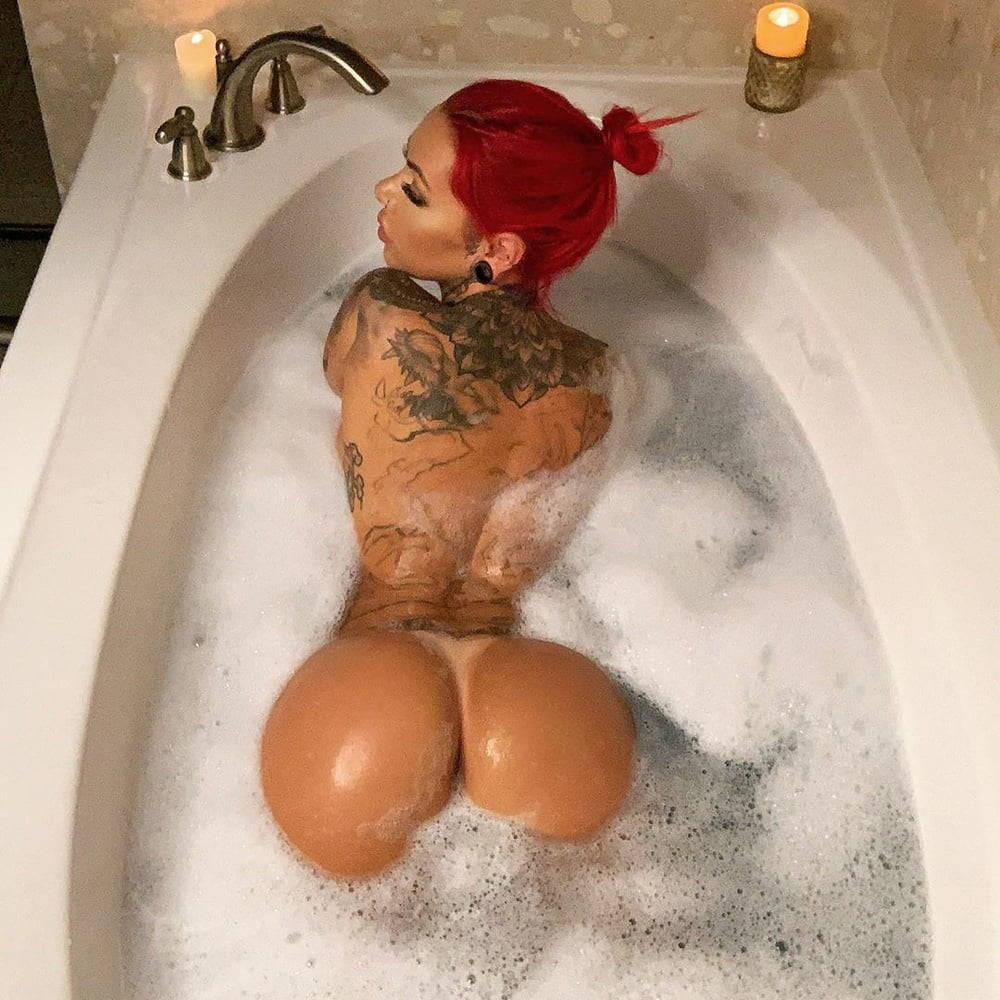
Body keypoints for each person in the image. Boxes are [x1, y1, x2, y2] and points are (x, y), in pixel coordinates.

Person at [260, 79, 702, 878]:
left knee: (360, 911)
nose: (383, 190)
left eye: (413, 190)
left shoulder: (380, 311)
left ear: (495, 253)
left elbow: (339, 386)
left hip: (376, 670)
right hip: (538, 687)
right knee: (602, 909)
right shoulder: (604, 378)